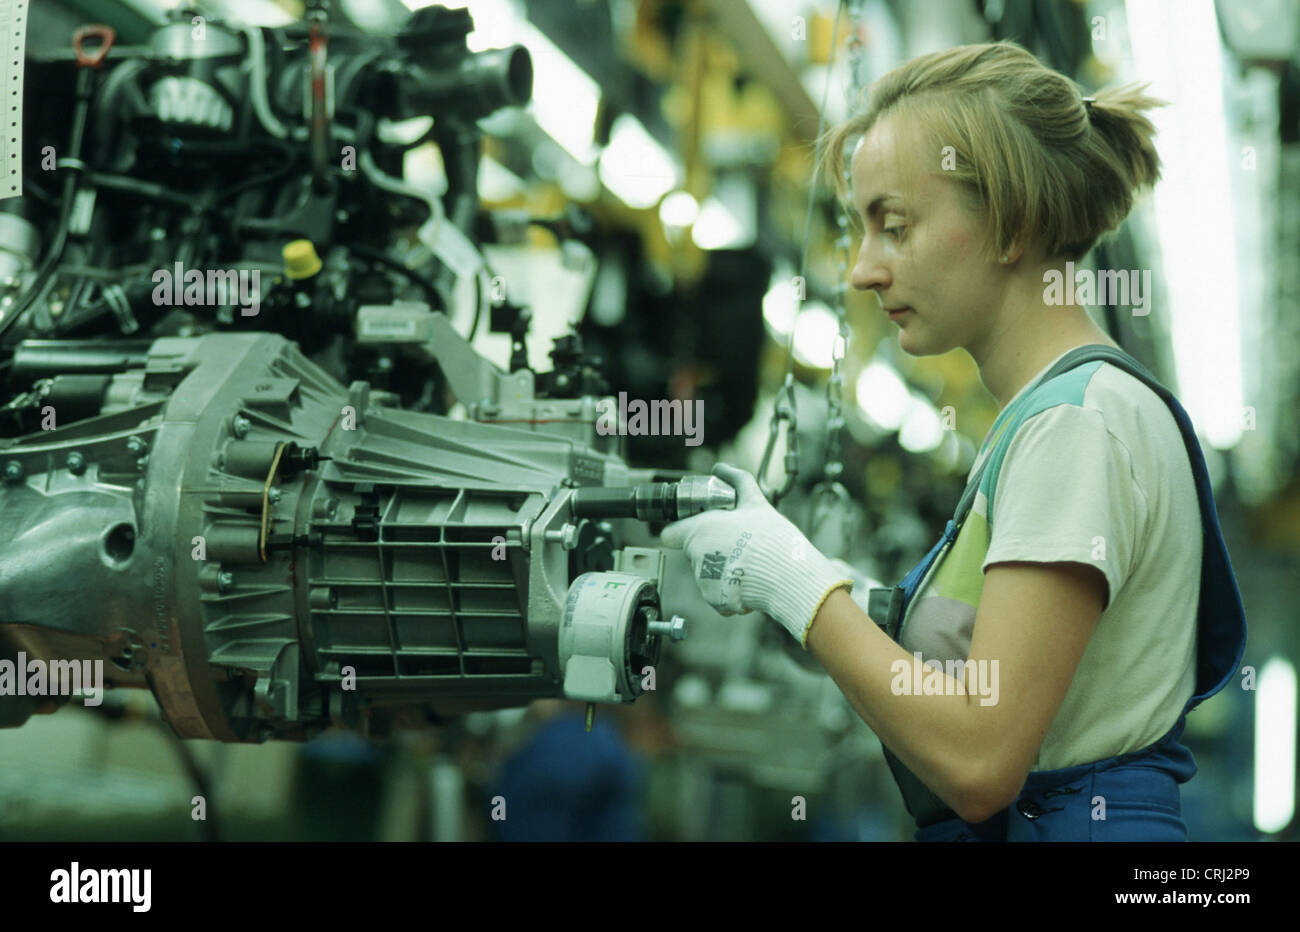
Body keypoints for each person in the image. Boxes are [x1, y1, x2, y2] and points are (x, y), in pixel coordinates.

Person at [662, 41, 1245, 841]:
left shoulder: (1072, 426)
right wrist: (843, 592)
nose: (864, 270)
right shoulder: (1054, 415)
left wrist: (795, 585)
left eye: (893, 227)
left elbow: (978, 760)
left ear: (1012, 224)